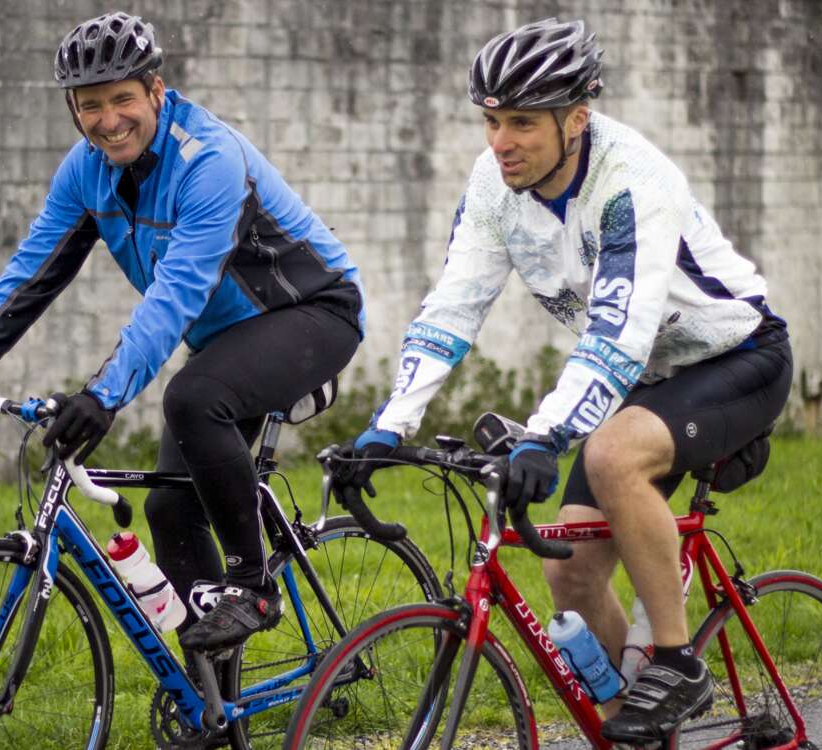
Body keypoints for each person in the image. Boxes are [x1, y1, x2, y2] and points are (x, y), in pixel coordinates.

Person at [332, 17, 791, 744]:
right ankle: (636, 732)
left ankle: (677, 661)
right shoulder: (495, 184)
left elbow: (616, 335)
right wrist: (393, 423)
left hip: (735, 357)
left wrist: (547, 435)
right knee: (569, 572)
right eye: (491, 120)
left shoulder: (632, 182)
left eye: (522, 122)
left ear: (576, 118)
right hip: (645, 378)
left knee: (611, 457)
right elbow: (454, 306)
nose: (500, 141)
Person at [0, 11, 366, 654]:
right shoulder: (85, 171)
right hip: (226, 338)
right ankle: (212, 699)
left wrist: (104, 396)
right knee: (170, 510)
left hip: (314, 311)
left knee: (193, 399)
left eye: (123, 98)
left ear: (156, 92)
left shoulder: (210, 161)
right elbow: (32, 274)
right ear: (73, 110)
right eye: (92, 105)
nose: (110, 119)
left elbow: (174, 297)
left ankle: (253, 585)